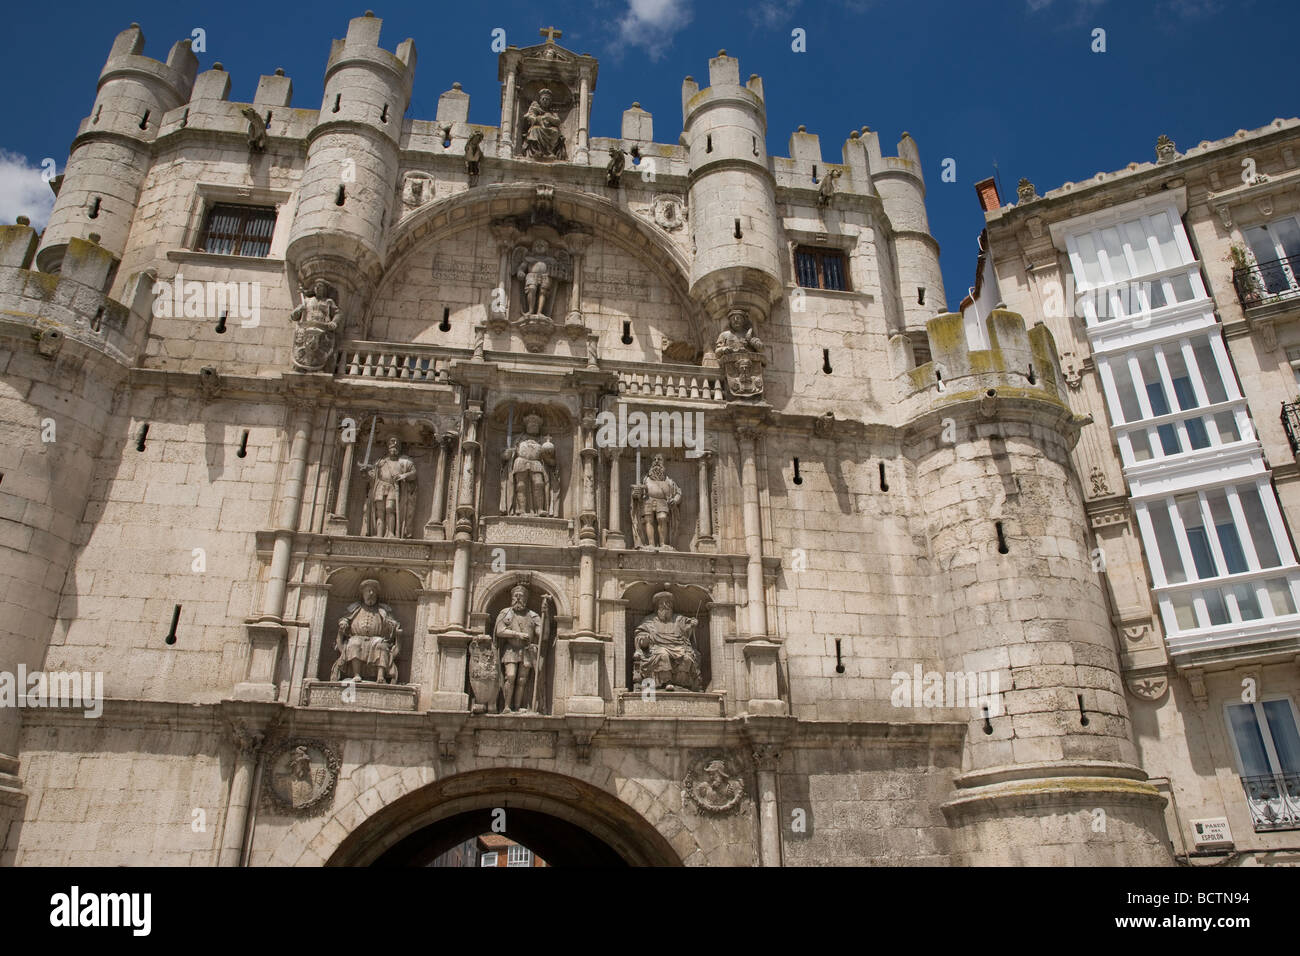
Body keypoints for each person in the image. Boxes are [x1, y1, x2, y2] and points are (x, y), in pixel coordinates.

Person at [633, 590, 702, 691]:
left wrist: (692, 625)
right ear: (657, 607)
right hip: (656, 649)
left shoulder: (679, 619)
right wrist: (644, 640)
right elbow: (640, 636)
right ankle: (665, 683)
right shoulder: (649, 620)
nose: (666, 606)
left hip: (679, 648)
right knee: (663, 654)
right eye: (662, 603)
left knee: (687, 657)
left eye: (668, 603)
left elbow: (687, 633)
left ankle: (682, 685)